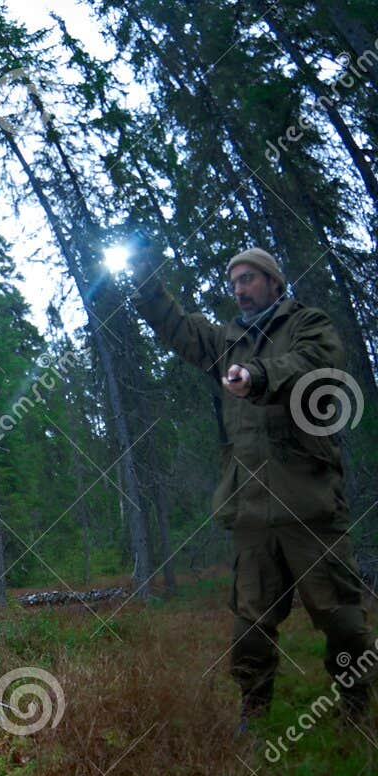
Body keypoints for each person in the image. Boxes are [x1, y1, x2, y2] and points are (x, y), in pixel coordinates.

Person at [128, 243, 372, 729]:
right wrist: (149, 289)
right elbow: (180, 329)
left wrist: (259, 374)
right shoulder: (226, 342)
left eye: (250, 279)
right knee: (250, 626)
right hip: (251, 509)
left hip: (310, 502)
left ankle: (355, 704)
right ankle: (254, 711)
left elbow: (318, 361)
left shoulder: (307, 323)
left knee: (343, 619)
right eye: (234, 281)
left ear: (274, 282)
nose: (239, 289)